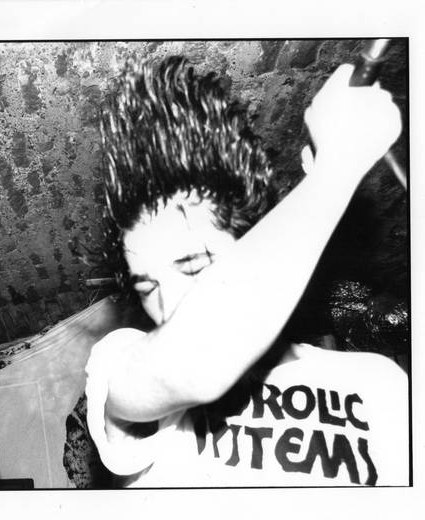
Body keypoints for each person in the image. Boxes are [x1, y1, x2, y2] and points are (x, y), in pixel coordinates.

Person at [85, 56, 408, 487]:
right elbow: (200, 358)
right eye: (147, 287)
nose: (168, 303)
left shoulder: (380, 384)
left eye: (194, 265)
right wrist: (337, 168)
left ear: (254, 239)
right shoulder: (119, 366)